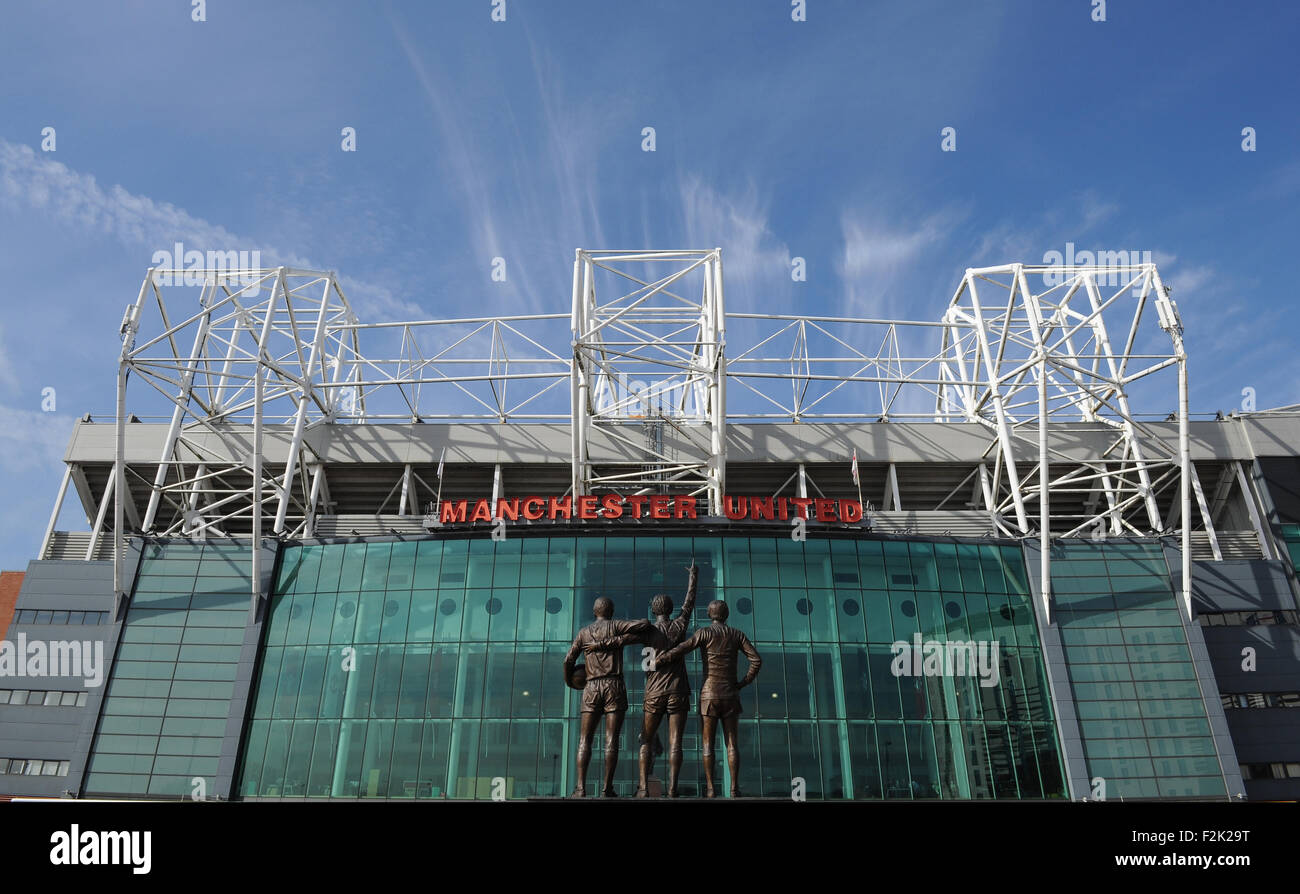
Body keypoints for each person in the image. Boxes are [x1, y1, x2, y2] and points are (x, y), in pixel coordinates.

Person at [586, 563, 697, 797]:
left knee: (646, 740)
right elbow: (689, 603)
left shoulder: (647, 632)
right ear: (670, 608)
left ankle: (644, 789)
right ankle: (673, 789)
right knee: (675, 742)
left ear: (653, 610)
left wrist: (598, 644)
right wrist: (693, 578)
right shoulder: (679, 625)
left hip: (654, 692)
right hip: (678, 690)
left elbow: (620, 641)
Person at [656, 599, 761, 798]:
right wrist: (742, 682)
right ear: (726, 614)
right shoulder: (736, 634)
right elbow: (756, 660)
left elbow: (682, 648)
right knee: (732, 743)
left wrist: (662, 658)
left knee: (707, 744)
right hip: (730, 693)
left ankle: (711, 788)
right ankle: (733, 788)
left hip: (709, 694)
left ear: (709, 614)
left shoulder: (704, 633)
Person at [562, 597, 651, 798]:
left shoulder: (584, 633)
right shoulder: (616, 625)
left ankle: (580, 788)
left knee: (585, 739)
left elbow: (568, 659)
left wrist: (569, 681)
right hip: (613, 685)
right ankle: (607, 788)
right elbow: (645, 624)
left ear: (595, 612)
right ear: (611, 611)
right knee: (612, 739)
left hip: (591, 686)